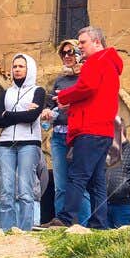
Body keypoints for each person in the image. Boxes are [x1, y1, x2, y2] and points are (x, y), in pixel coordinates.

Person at [41, 25, 123, 229]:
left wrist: (63, 96)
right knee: (96, 181)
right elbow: (93, 92)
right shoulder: (109, 63)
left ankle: (65, 218)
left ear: (97, 42)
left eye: (83, 43)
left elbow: (87, 87)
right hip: (102, 130)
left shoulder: (96, 61)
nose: (80, 48)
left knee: (78, 175)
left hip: (90, 128)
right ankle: (99, 222)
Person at [0, 53, 48, 231]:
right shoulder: (6, 93)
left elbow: (32, 117)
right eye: (14, 66)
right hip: (5, 144)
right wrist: (22, 113)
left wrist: (8, 115)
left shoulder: (38, 91)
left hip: (29, 142)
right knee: (6, 190)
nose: (17, 69)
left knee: (25, 190)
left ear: (29, 69)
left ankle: (25, 231)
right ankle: (7, 230)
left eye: (21, 66)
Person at [40, 38, 89, 225]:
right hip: (59, 135)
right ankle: (60, 224)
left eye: (71, 52)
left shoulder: (85, 77)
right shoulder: (59, 80)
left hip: (77, 135)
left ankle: (83, 224)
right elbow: (52, 104)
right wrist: (46, 111)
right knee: (60, 184)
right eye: (63, 53)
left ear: (79, 53)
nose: (67, 56)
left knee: (79, 183)